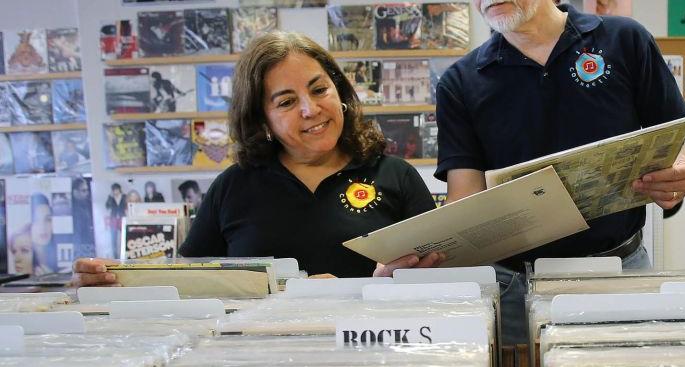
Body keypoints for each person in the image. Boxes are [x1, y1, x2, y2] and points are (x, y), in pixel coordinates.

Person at [74, 31, 441, 286]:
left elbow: (445, 278)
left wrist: (378, 286)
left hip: (377, 355)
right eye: (286, 102)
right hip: (259, 365)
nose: (310, 109)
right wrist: (116, 280)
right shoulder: (233, 186)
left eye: (319, 90)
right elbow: (192, 284)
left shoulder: (396, 175)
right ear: (261, 119)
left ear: (339, 91)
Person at [435, 0, 685, 342]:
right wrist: (427, 248)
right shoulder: (459, 82)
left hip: (621, 272)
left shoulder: (624, 40)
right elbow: (464, 199)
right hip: (514, 288)